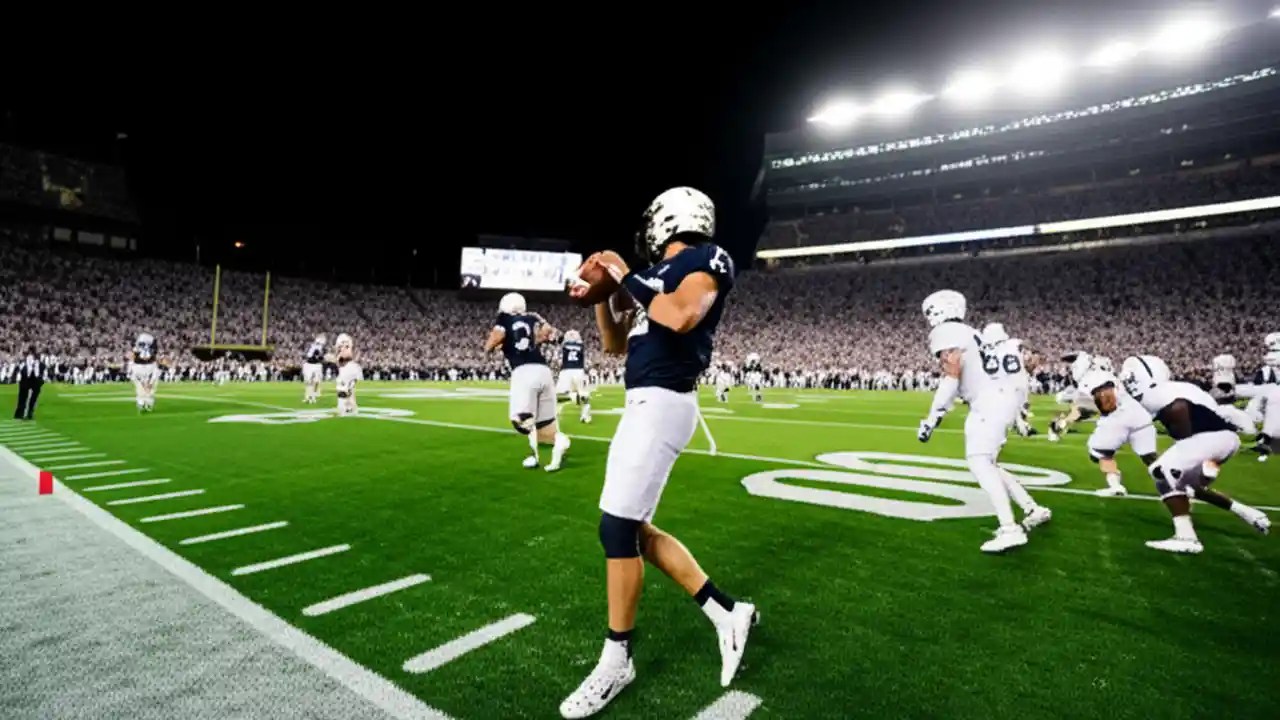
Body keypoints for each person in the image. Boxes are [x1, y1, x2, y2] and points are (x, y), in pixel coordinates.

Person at [559, 187, 757, 719]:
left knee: (615, 529)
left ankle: (617, 657)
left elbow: (681, 315)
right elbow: (615, 345)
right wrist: (602, 294)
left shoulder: (704, 260)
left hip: (665, 402)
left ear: (670, 219)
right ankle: (726, 612)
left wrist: (624, 275)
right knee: (631, 531)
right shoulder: (650, 280)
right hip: (646, 400)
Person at [917, 290, 1052, 553]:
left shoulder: (947, 333)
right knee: (989, 464)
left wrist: (932, 417)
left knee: (979, 462)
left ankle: (1010, 529)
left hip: (987, 403)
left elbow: (951, 377)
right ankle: (1032, 508)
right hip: (1000, 398)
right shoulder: (971, 332)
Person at [1121, 355, 1270, 553]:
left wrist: (1183, 439)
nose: (1129, 383)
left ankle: (1186, 537)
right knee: (1189, 486)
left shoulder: (1158, 393)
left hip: (1211, 438)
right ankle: (1249, 513)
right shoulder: (1179, 387)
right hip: (1223, 439)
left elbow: (1179, 408)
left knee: (1161, 471)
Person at [484, 292, 571, 471]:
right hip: (543, 371)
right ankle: (546, 450)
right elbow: (546, 332)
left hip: (523, 372)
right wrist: (534, 339)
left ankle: (544, 445)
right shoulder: (531, 318)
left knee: (521, 419)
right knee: (545, 427)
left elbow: (498, 335)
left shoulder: (504, 318)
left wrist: (489, 348)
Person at [1076, 361, 1158, 497]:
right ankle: (1178, 487)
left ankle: (1115, 486)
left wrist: (1072, 418)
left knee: (1100, 453)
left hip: (1117, 418)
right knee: (1150, 457)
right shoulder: (1111, 376)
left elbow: (1104, 403)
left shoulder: (1091, 379)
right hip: (1139, 414)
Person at [556, 329, 592, 424]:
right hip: (578, 370)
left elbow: (559, 340)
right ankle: (585, 416)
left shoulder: (564, 345)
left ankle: (556, 413)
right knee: (583, 394)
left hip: (566, 370)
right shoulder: (581, 345)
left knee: (560, 395)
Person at [129, 332, 160, 413]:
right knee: (141, 389)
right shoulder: (136, 362)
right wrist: (143, 382)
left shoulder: (151, 362)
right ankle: (142, 403)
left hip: (147, 369)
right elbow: (135, 375)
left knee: (149, 389)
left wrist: (150, 383)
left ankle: (146, 403)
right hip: (141, 369)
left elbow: (155, 372)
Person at [13, 348, 46, 421]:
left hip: (34, 381)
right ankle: (20, 414)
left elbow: (41, 374)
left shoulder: (40, 364)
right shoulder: (26, 361)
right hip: (26, 380)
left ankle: (29, 413)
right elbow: (22, 370)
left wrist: (40, 380)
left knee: (33, 398)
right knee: (23, 397)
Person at [334, 334, 363, 416]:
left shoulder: (344, 349)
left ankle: (342, 409)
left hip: (347, 369)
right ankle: (352, 408)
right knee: (350, 391)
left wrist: (336, 357)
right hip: (352, 368)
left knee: (342, 390)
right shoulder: (348, 346)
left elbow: (342, 360)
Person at [302, 335, 327, 404]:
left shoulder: (322, 349)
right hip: (309, 365)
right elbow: (308, 355)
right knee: (308, 382)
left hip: (317, 365)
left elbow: (321, 357)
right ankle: (308, 397)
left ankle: (312, 396)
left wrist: (320, 355)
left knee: (316, 381)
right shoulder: (312, 346)